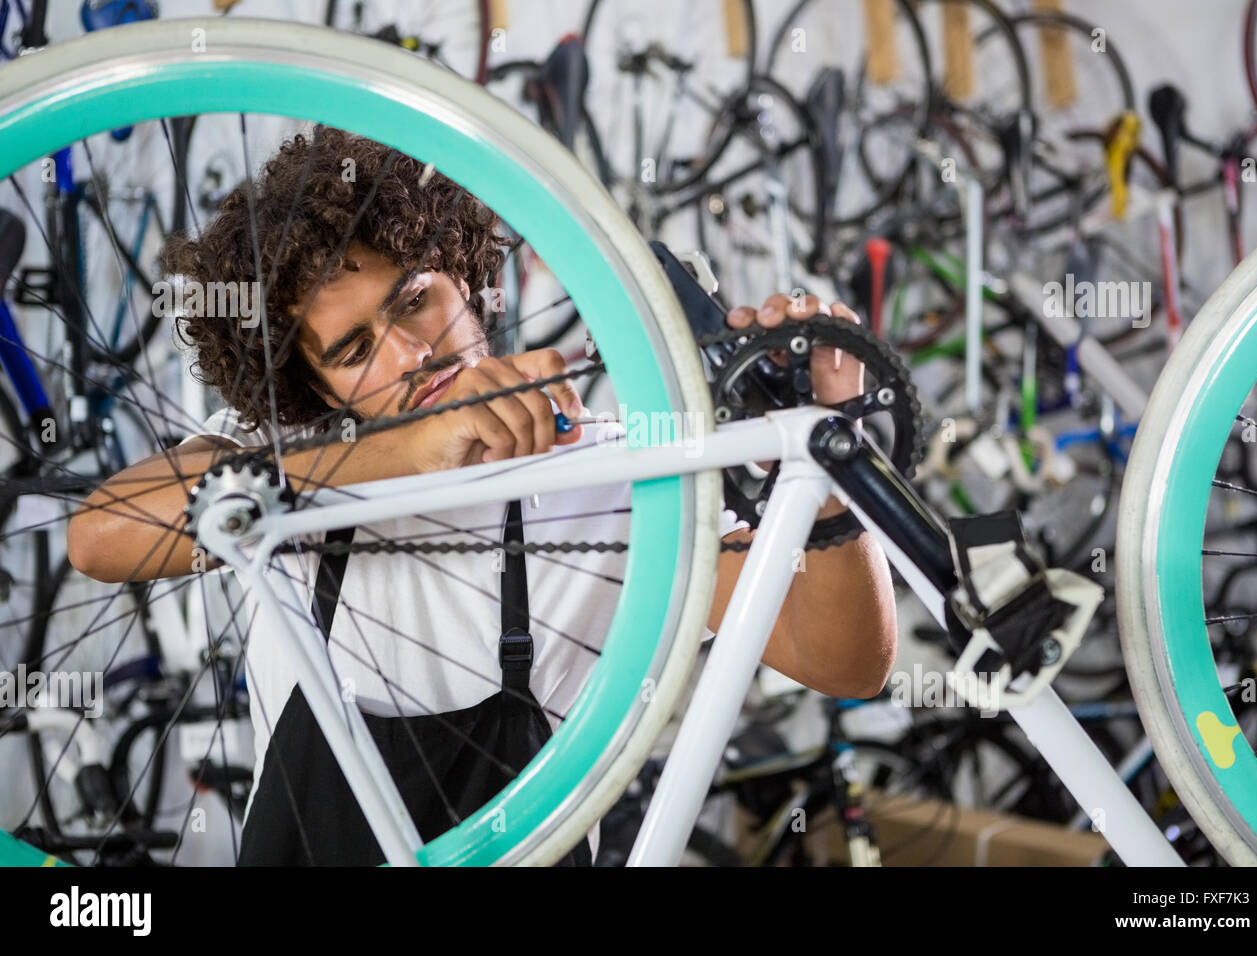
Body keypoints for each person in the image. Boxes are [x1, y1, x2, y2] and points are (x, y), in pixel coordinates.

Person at [66, 126, 898, 865]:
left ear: (464, 276)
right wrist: (412, 454)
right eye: (354, 349)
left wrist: (817, 477)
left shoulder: (616, 480)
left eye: (416, 299)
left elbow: (847, 665)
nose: (406, 354)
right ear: (312, 388)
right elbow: (99, 538)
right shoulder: (266, 469)